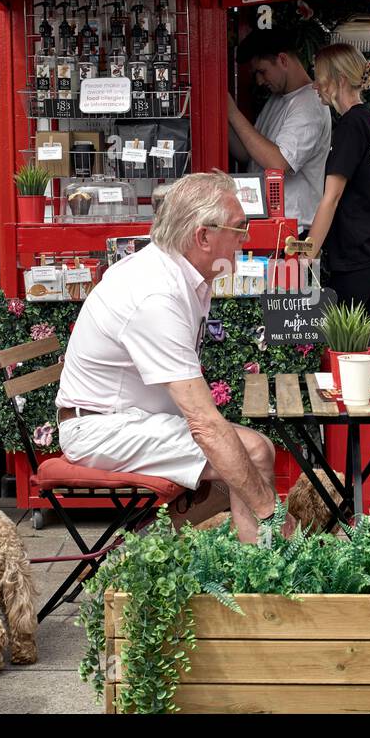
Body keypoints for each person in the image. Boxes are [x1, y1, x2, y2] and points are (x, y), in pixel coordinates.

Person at [55, 171, 294, 543]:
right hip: (101, 429)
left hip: (122, 419)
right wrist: (271, 512)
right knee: (253, 452)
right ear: (202, 236)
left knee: (243, 459)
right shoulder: (157, 295)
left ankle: (151, 547)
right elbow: (204, 423)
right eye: (238, 229)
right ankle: (262, 569)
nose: (245, 241)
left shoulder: (177, 273)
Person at [303, 43, 370, 316]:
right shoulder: (365, 119)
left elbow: (332, 197)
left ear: (339, 80)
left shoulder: (350, 126)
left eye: (320, 78)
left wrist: (308, 254)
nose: (315, 85)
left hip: (354, 259)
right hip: (365, 253)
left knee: (348, 350)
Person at [227, 28, 332, 234]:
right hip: (268, 224)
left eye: (262, 71)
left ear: (283, 60)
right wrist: (222, 115)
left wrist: (233, 113)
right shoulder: (278, 99)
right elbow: (248, 154)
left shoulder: (309, 104)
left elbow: (278, 163)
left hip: (294, 230)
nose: (259, 81)